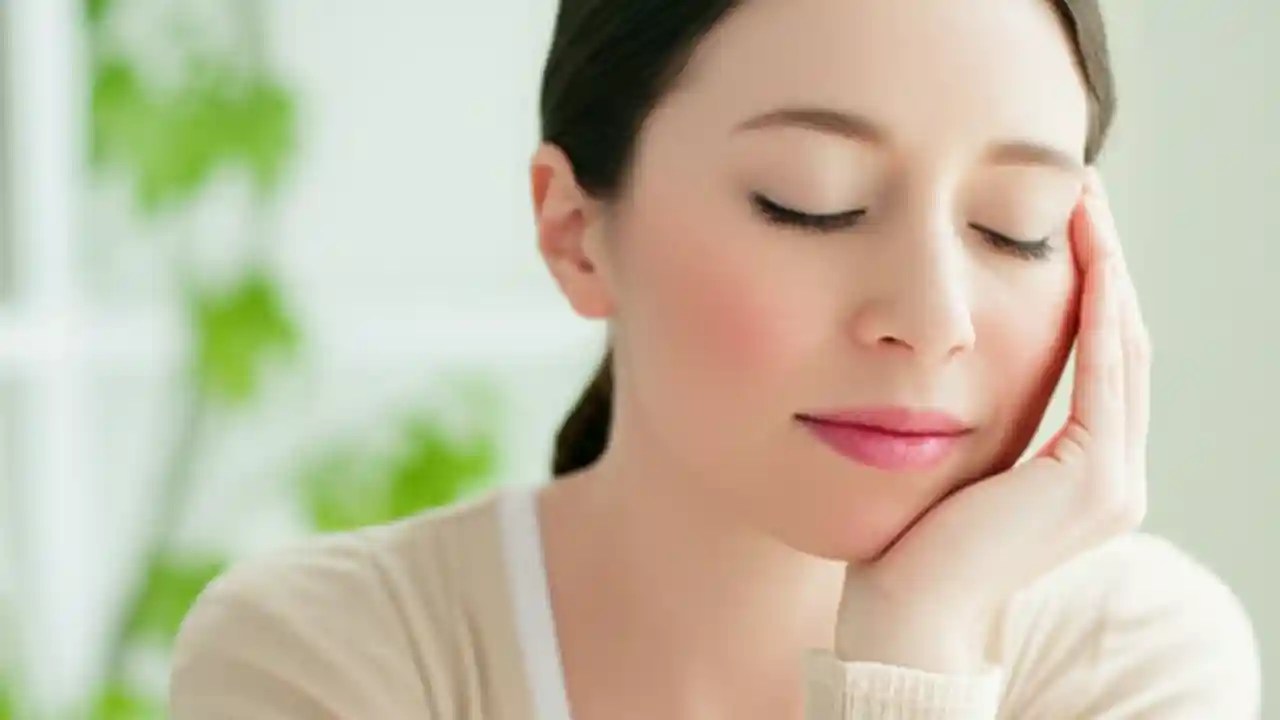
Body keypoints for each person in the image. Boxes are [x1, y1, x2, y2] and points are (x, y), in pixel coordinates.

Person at [169, 0, 1262, 717]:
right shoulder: (336, 658)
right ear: (574, 230)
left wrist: (916, 646)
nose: (933, 319)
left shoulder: (1131, 662)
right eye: (811, 203)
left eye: (1015, 225)